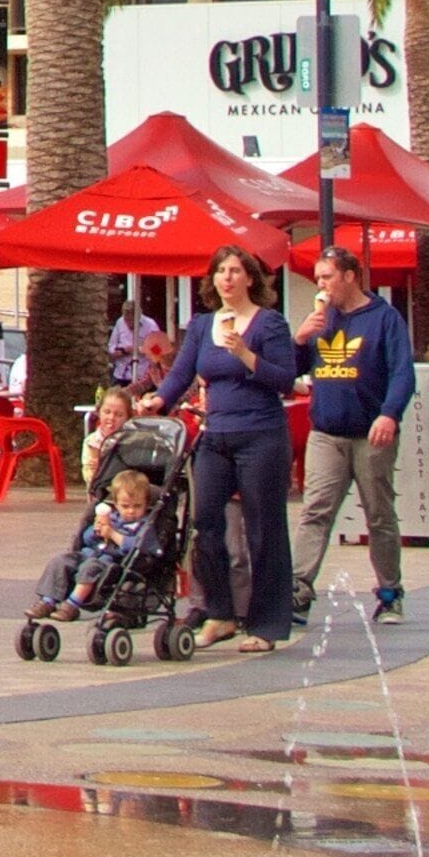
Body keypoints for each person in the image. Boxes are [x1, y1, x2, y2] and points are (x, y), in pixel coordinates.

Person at [145, 245, 298, 652]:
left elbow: (286, 379)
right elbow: (181, 373)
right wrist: (157, 400)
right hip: (216, 436)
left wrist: (245, 355)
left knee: (263, 529)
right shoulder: (201, 326)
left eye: (235, 271)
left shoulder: (270, 324)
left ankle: (267, 624)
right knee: (204, 522)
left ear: (251, 278)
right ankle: (220, 613)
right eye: (220, 271)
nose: (227, 277)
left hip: (261, 434)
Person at [290, 244, 417, 624]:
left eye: (327, 277)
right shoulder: (321, 319)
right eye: (317, 279)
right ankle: (298, 588)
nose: (321, 285)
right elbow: (293, 372)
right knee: (316, 510)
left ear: (349, 276)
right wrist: (300, 340)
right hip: (327, 431)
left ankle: (390, 592)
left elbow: (402, 371)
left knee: (378, 513)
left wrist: (389, 414)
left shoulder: (384, 318)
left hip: (369, 431)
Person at [31, 468, 165, 619]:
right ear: (116, 504)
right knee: (60, 560)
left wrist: (113, 534)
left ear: (146, 504)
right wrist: (96, 531)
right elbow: (86, 540)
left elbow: (140, 547)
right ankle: (48, 601)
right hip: (88, 554)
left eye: (137, 506)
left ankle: (72, 604)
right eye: (125, 506)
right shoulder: (111, 517)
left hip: (112, 562)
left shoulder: (143, 525)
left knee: (90, 567)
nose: (131, 511)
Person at [77, 386, 137, 491]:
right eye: (107, 412)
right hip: (101, 494)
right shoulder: (91, 441)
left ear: (128, 417)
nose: (111, 418)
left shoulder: (133, 440)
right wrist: (96, 471)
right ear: (99, 412)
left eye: (119, 415)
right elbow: (88, 477)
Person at [108, 296, 166, 395]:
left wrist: (137, 349)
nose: (128, 324)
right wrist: (116, 352)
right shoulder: (119, 322)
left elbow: (159, 350)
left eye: (131, 321)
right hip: (121, 373)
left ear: (138, 316)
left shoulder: (151, 325)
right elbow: (112, 345)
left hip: (142, 376)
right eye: (126, 320)